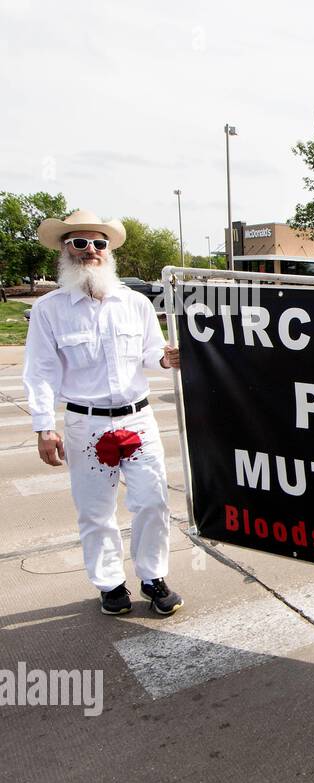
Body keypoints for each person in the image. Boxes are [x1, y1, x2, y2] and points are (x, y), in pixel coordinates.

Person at [22, 209, 185, 616]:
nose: (90, 250)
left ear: (109, 251)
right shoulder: (49, 310)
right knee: (95, 511)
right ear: (65, 250)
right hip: (85, 423)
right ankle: (110, 584)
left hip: (138, 419)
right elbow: (40, 371)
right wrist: (44, 426)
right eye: (80, 243)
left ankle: (153, 577)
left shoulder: (135, 303)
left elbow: (151, 353)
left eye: (99, 243)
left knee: (152, 501)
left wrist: (165, 359)